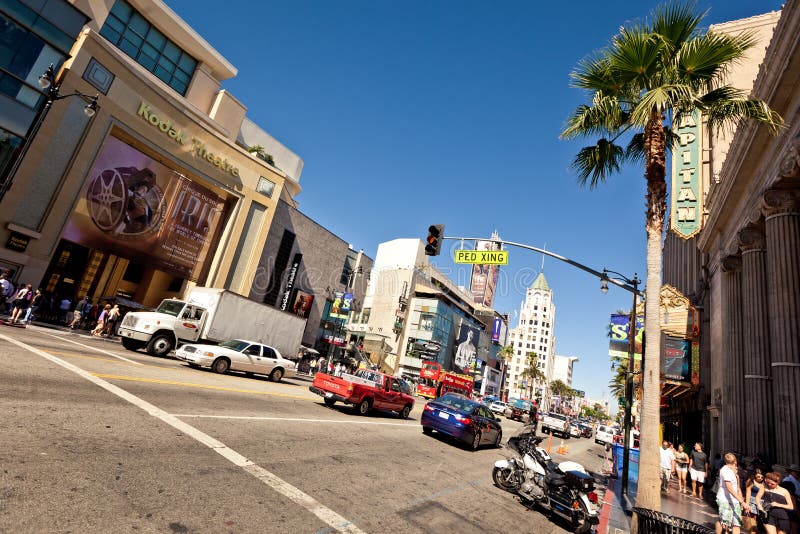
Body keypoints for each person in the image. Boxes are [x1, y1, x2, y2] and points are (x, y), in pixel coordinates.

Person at [716, 453, 747, 534]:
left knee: (737, 523)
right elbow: (729, 487)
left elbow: (737, 487)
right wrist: (742, 502)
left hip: (734, 500)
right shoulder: (726, 470)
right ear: (735, 461)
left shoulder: (732, 471)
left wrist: (740, 499)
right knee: (723, 521)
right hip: (725, 500)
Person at [743, 469, 765, 534]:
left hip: (761, 503)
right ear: (755, 475)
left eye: (762, 477)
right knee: (752, 519)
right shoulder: (751, 481)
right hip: (752, 502)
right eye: (758, 476)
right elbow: (748, 493)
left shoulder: (764, 483)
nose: (760, 478)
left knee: (758, 521)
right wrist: (747, 505)